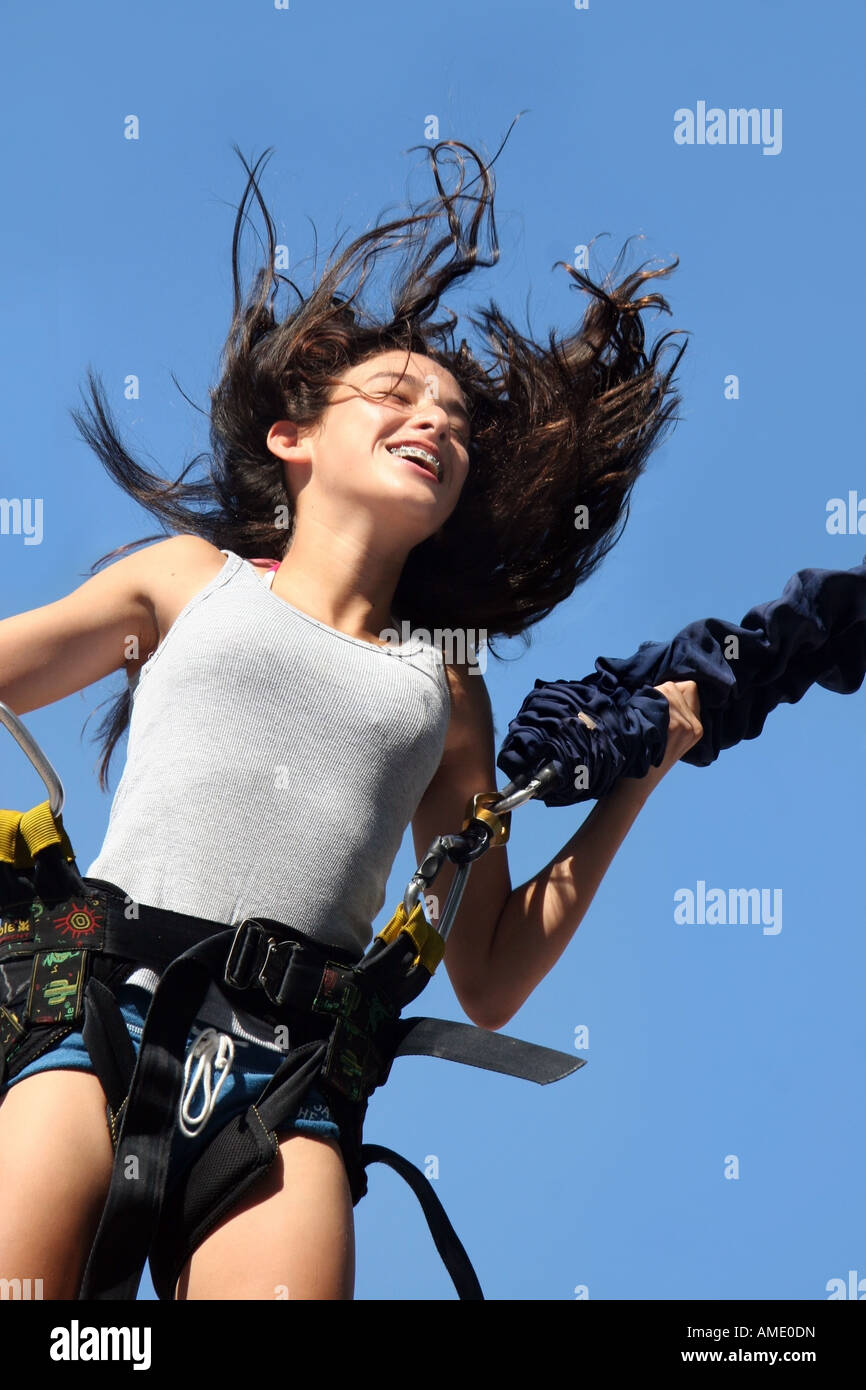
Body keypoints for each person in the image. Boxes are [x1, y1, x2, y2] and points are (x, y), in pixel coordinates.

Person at [0, 134, 702, 1300]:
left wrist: (638, 776)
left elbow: (487, 970)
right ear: (294, 439)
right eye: (394, 393)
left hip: (286, 1088)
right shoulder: (183, 584)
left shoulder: (447, 694)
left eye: (458, 424)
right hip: (96, 1018)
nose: (436, 418)